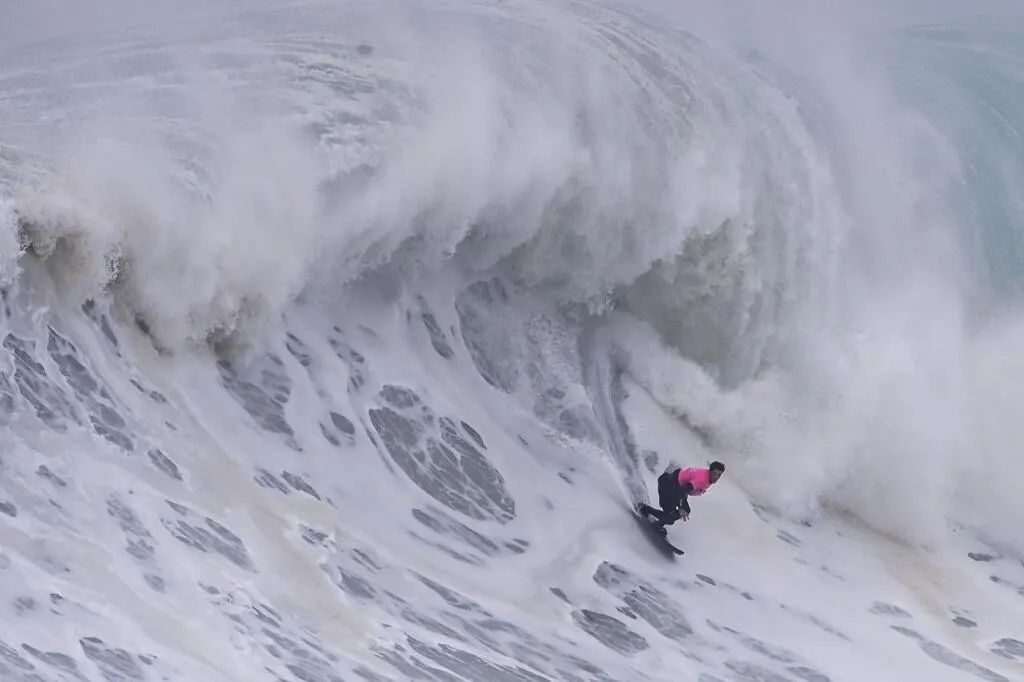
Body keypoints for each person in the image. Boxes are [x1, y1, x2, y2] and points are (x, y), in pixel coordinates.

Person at [637, 461, 725, 534]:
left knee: (669, 517)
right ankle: (657, 525)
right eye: (714, 474)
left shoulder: (707, 477)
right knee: (683, 511)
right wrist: (681, 507)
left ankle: (645, 509)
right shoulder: (702, 479)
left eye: (719, 475)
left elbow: (682, 480)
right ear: (710, 471)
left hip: (671, 485)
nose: (716, 477)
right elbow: (683, 490)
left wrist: (681, 505)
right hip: (668, 485)